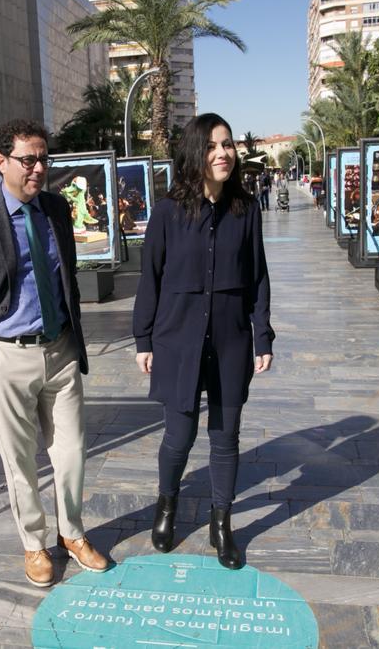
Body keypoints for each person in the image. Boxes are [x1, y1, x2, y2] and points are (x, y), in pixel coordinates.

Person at [0, 118, 108, 588]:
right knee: (20, 461)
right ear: (1, 161)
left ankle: (72, 534)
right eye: (27, 159)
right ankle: (35, 545)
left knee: (72, 452)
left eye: (43, 158)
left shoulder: (55, 208)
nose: (38, 168)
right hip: (7, 357)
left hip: (59, 352)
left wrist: (73, 340)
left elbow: (66, 278)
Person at [132, 113, 275, 570]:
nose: (223, 153)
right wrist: (144, 338)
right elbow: (149, 278)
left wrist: (262, 335)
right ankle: (167, 505)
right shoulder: (169, 210)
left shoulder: (246, 208)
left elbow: (258, 277)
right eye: (214, 146)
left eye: (228, 144)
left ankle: (221, 524)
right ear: (197, 152)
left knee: (226, 435)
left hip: (232, 339)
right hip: (178, 339)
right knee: (180, 434)